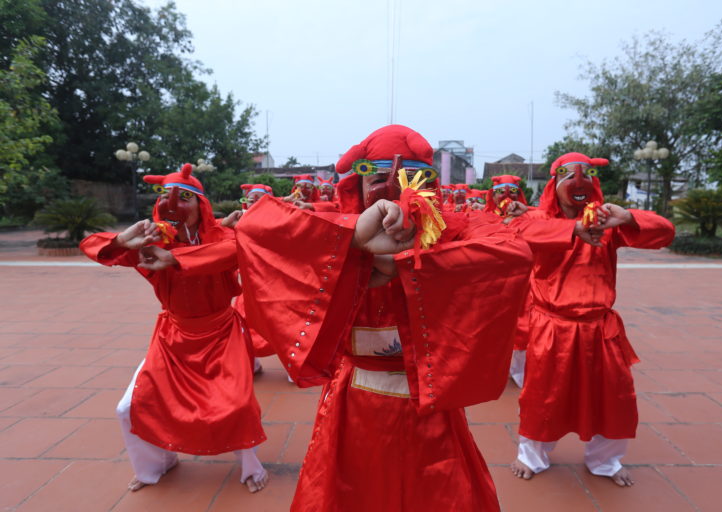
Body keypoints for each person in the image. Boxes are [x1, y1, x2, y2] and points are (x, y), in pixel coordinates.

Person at [235, 124, 543, 511]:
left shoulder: (457, 228)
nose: (392, 190)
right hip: (353, 399)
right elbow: (254, 230)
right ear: (357, 186)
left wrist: (409, 265)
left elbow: (514, 253)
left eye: (410, 179)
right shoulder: (337, 224)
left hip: (428, 398)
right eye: (376, 177)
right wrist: (353, 244)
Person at [80, 163, 269, 493]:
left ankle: (251, 468)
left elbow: (232, 250)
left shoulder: (223, 237)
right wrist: (123, 241)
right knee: (130, 407)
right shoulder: (153, 243)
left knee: (237, 405)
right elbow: (95, 247)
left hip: (221, 334)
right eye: (167, 200)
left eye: (185, 198)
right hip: (174, 337)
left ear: (201, 205)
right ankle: (156, 465)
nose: (175, 207)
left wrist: (177, 260)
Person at [509, 152, 675, 486]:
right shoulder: (538, 218)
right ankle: (532, 456)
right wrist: (573, 229)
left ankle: (605, 462)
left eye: (585, 177)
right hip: (552, 326)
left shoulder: (605, 221)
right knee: (543, 397)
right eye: (568, 177)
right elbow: (521, 231)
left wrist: (627, 217)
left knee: (614, 398)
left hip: (600, 327)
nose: (577, 184)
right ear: (554, 185)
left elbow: (665, 233)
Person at [485, 175, 531, 386]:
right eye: (501, 192)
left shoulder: (529, 217)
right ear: (492, 195)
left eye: (513, 192)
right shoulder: (483, 217)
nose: (507, 197)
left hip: (523, 280)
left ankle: (520, 370)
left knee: (523, 325)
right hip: (492, 281)